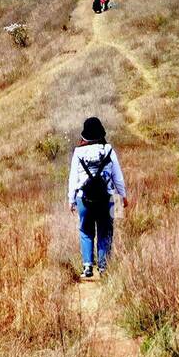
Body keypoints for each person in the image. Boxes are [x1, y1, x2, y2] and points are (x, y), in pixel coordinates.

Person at [67, 116, 127, 278]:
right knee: (105, 231)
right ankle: (103, 267)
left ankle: (87, 267)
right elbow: (118, 177)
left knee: (86, 231)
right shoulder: (109, 150)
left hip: (83, 198)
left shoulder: (78, 152)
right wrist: (123, 196)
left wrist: (71, 199)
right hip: (106, 198)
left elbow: (73, 179)